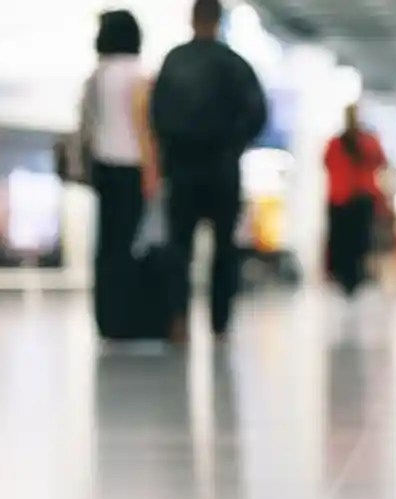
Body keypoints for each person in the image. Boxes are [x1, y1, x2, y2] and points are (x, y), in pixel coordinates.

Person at [150, 0, 268, 343]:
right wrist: (234, 143)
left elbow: (157, 115)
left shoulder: (174, 62)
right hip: (222, 168)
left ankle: (178, 320)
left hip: (182, 169)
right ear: (218, 21)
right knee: (225, 248)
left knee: (179, 248)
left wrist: (170, 151)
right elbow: (258, 114)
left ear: (193, 19)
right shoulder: (235, 65)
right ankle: (220, 323)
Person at [78, 10, 161, 338]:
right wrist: (152, 170)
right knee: (132, 246)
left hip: (103, 167)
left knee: (106, 246)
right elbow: (144, 128)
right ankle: (132, 319)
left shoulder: (96, 76)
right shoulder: (138, 76)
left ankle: (106, 319)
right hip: (132, 168)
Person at [324, 104, 388, 298]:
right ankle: (350, 276)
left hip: (347, 198)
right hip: (353, 198)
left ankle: (349, 277)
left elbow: (326, 163)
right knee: (354, 240)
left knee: (348, 241)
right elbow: (380, 162)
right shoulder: (365, 141)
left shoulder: (340, 142)